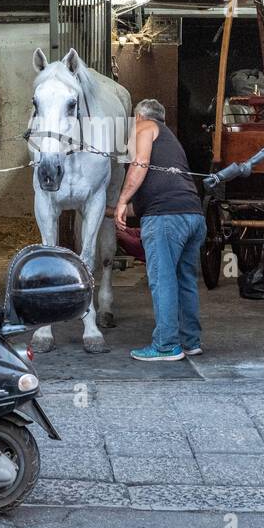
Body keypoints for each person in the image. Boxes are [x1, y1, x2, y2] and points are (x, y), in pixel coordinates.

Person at [114, 99, 206, 362]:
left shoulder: (145, 126)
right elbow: (147, 199)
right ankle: (190, 341)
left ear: (140, 115)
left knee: (162, 279)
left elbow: (140, 164)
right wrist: (112, 210)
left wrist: (121, 200)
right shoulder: (170, 142)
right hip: (192, 214)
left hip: (166, 219)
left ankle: (166, 345)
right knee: (184, 279)